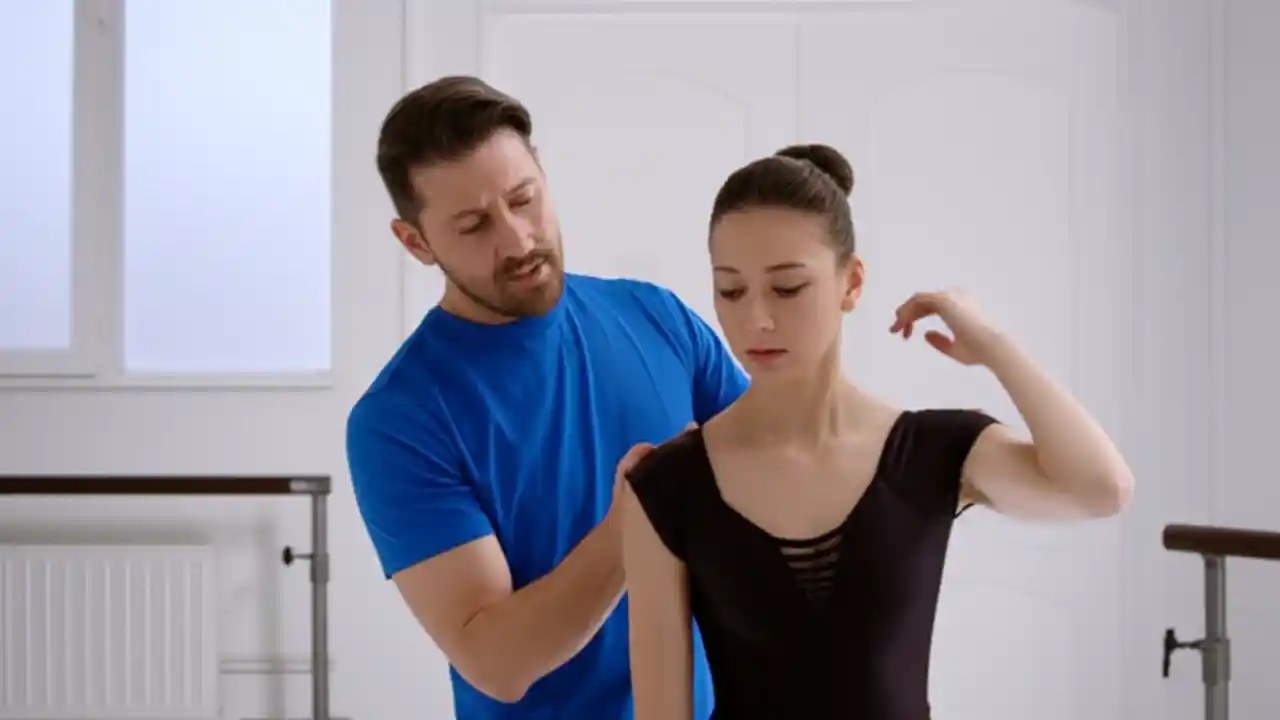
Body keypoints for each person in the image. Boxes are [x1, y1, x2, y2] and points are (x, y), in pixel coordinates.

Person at [621, 143, 1135, 719]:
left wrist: (993, 346)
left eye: (788, 288)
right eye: (731, 290)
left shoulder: (934, 453)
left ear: (851, 283)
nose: (756, 318)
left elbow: (1101, 489)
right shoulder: (668, 485)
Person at [344, 75, 743, 719]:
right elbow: (498, 663)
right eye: (474, 225)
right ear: (415, 242)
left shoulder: (656, 317)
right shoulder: (399, 420)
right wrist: (628, 528)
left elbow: (783, 463)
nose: (518, 239)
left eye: (524, 199)